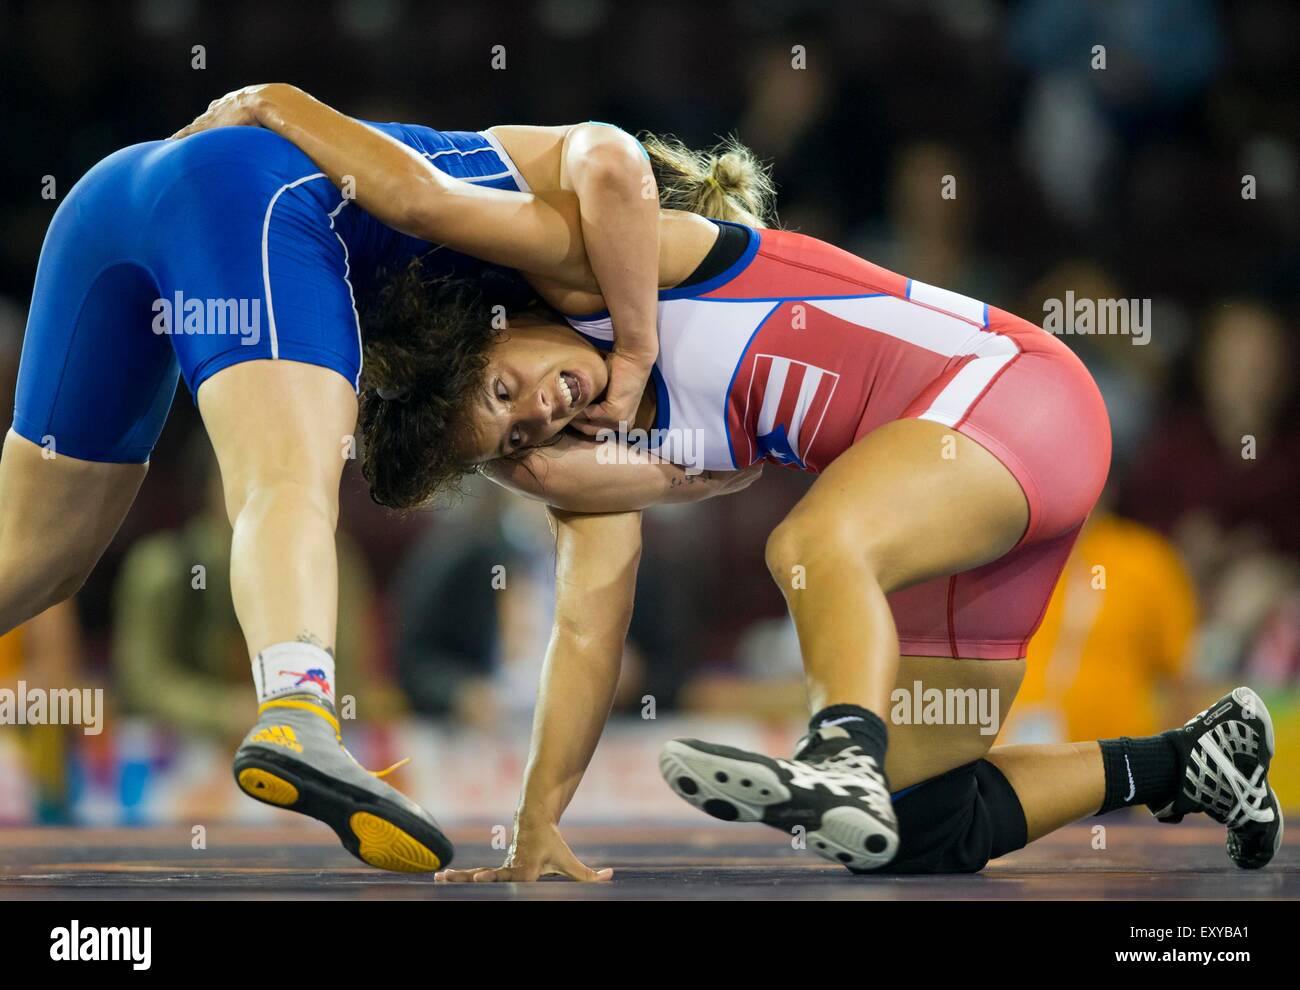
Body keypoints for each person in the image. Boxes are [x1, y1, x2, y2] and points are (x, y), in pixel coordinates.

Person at [183, 84, 1281, 881]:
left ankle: (835, 753)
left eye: (507, 387)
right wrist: (535, 826)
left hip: (1014, 394)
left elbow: (590, 160)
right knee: (920, 830)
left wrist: (271, 103)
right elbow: (583, 631)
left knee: (810, 547)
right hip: (978, 488)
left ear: (496, 320)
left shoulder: (590, 268)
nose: (540, 415)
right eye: (509, 441)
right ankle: (1188, 762)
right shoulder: (584, 458)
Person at [8, 84, 741, 871]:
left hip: (110, 203)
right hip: (249, 190)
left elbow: (573, 544)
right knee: (287, 479)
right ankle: (295, 710)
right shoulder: (598, 265)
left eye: (530, 421)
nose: (550, 406)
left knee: (39, 564)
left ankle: (294, 710)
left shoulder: (520, 320)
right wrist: (635, 346)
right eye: (512, 400)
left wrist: (692, 477)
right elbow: (611, 155)